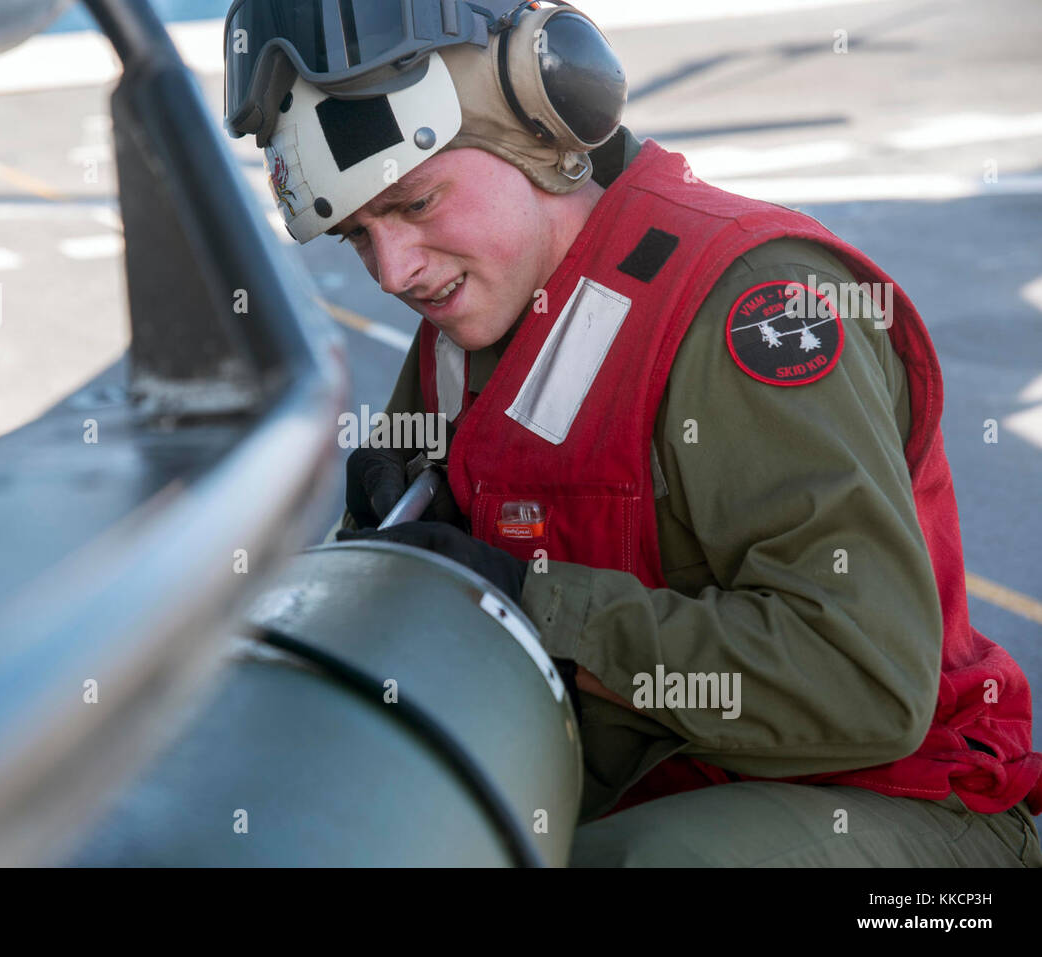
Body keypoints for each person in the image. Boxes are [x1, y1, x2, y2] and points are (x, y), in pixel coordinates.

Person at [222, 0, 1042, 865]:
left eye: (416, 201)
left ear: (538, 122)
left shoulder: (750, 307)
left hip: (901, 808)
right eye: (357, 236)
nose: (394, 269)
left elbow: (864, 685)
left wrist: (528, 600)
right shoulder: (470, 329)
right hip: (671, 784)